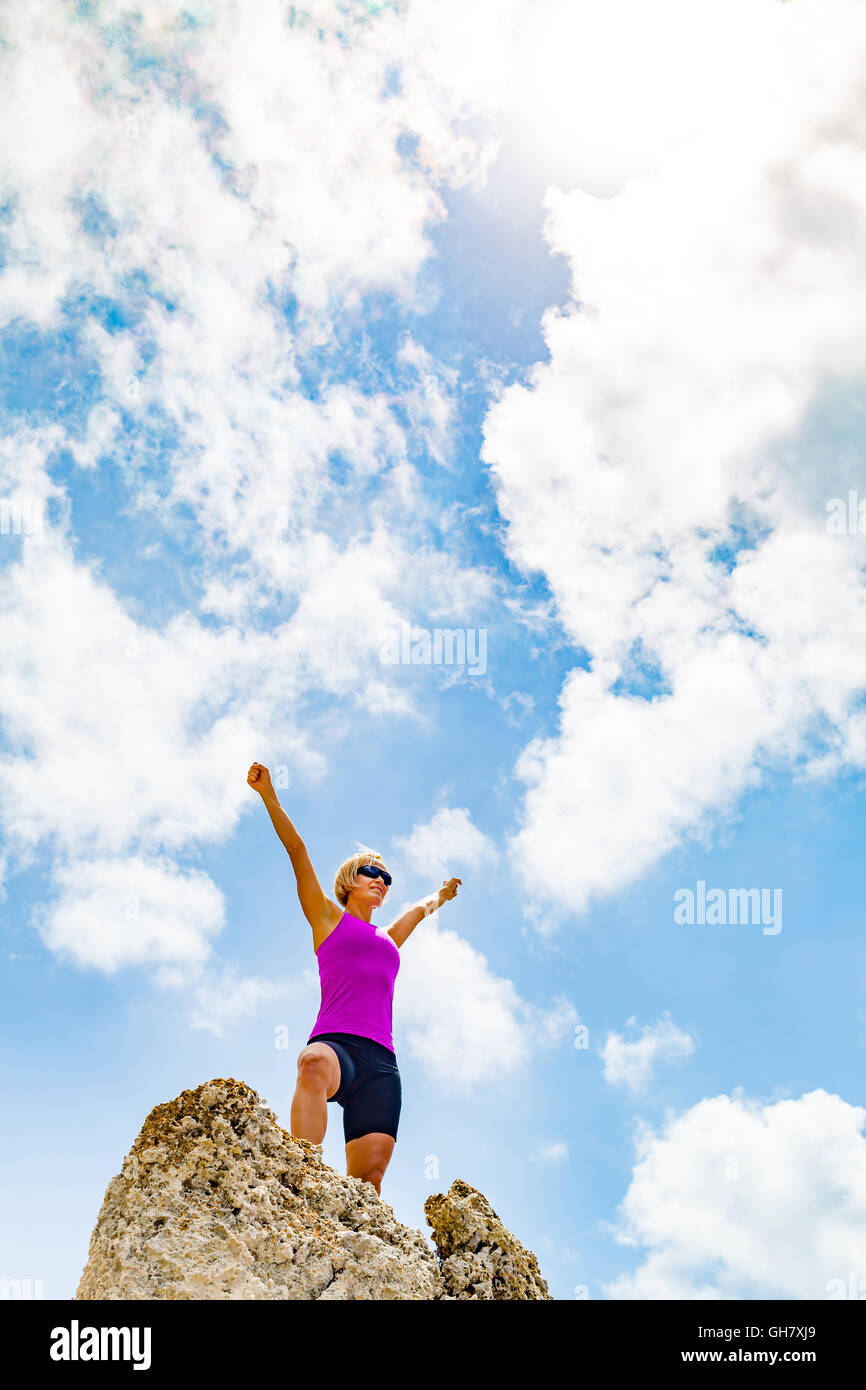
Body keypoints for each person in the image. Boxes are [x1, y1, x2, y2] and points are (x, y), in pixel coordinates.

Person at [247, 761, 461, 1196]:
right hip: (336, 1044)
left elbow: (418, 913)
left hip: (381, 1064)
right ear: (350, 880)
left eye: (387, 878)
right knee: (311, 1064)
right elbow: (297, 851)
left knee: (368, 1187)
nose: (381, 881)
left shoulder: (387, 938)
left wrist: (441, 894)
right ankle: (299, 1181)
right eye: (373, 873)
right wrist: (269, 796)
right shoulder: (327, 919)